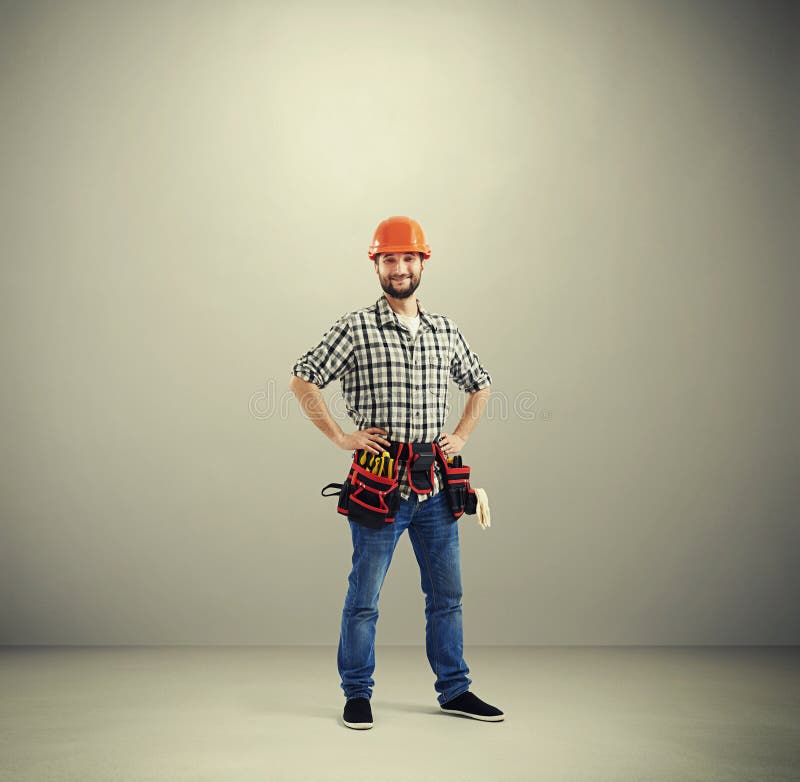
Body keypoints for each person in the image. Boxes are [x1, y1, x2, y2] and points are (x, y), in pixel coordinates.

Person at [289, 215, 504, 729]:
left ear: (423, 261)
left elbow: (481, 384)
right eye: (390, 258)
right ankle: (357, 694)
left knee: (446, 597)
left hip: (434, 489)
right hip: (379, 486)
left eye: (409, 258)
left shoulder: (444, 330)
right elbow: (303, 379)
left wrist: (462, 436)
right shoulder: (356, 327)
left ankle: (455, 691)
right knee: (364, 599)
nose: (400, 267)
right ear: (377, 264)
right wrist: (342, 437)